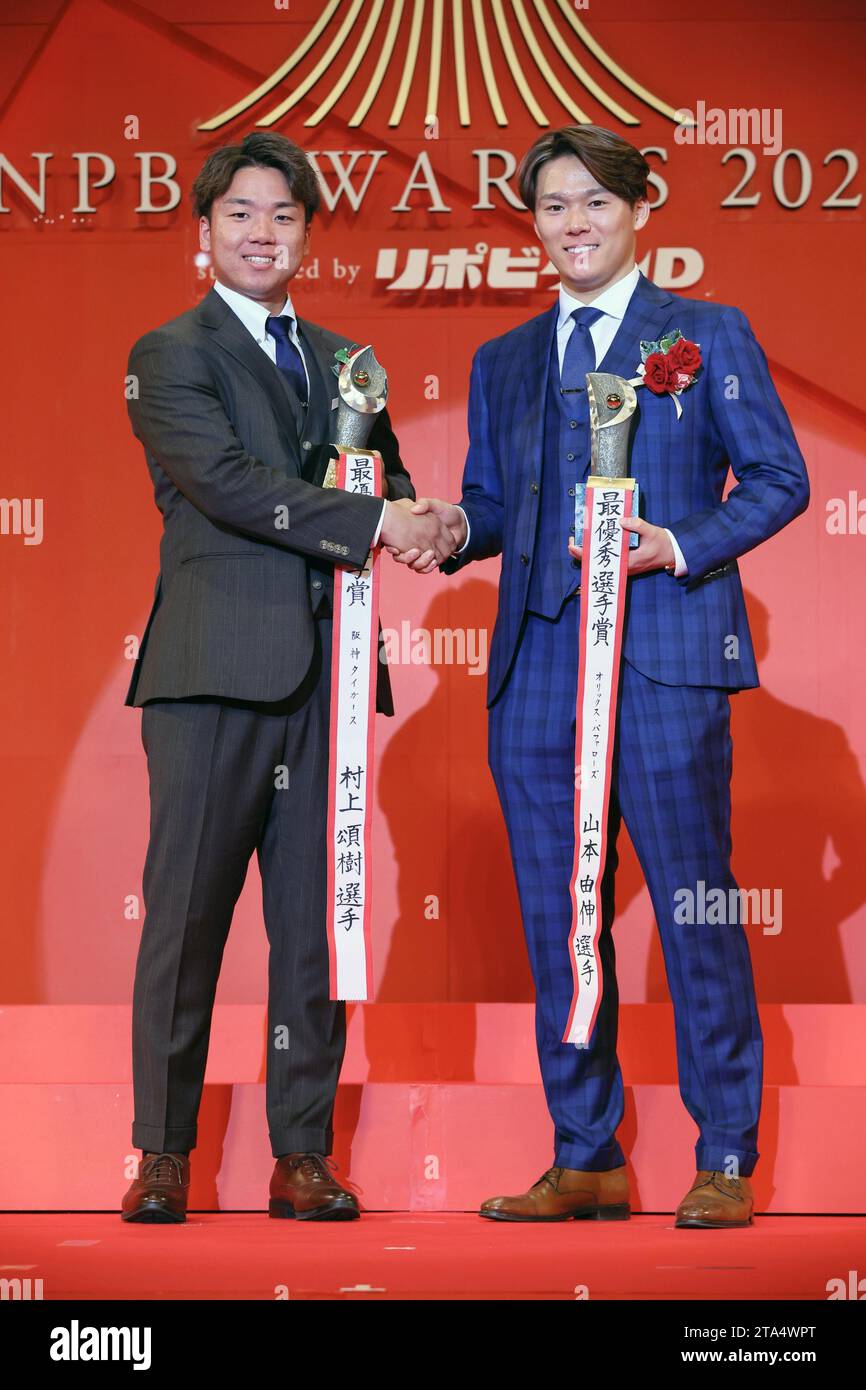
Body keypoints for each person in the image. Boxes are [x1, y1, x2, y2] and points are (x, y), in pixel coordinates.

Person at [390, 125, 809, 1227]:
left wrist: (676, 545)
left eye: (592, 204)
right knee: (556, 920)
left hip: (665, 658)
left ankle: (723, 1150)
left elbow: (776, 477)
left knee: (692, 905)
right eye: (551, 208)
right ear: (532, 223)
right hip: (536, 667)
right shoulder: (505, 360)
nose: (571, 226)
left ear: (638, 212)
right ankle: (586, 1154)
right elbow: (492, 507)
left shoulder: (704, 334)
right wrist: (447, 526)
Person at [121, 131, 456, 1223]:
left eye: (283, 216)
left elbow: (388, 477)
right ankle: (163, 1151)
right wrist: (374, 519)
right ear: (203, 233)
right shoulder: (170, 352)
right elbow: (222, 483)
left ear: (309, 232)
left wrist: (423, 518)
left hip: (330, 682)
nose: (262, 233)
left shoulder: (346, 358)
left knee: (317, 925)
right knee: (185, 922)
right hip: (214, 672)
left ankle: (300, 1152)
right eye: (240, 215)